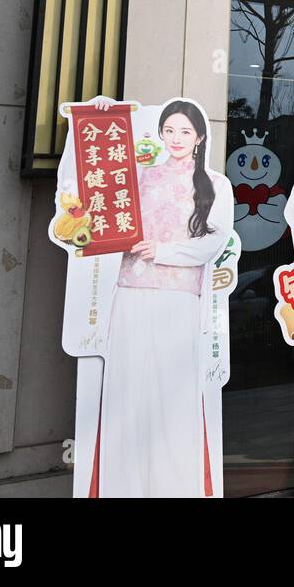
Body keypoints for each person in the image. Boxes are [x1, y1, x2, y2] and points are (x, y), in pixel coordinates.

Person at [93, 98, 234, 496]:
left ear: (200, 137)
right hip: (131, 295)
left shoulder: (216, 184)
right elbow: (98, 209)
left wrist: (165, 251)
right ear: (160, 133)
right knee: (126, 393)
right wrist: (99, 117)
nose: (176, 139)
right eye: (169, 130)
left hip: (178, 300)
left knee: (174, 396)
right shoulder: (138, 176)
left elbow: (215, 242)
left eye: (185, 132)